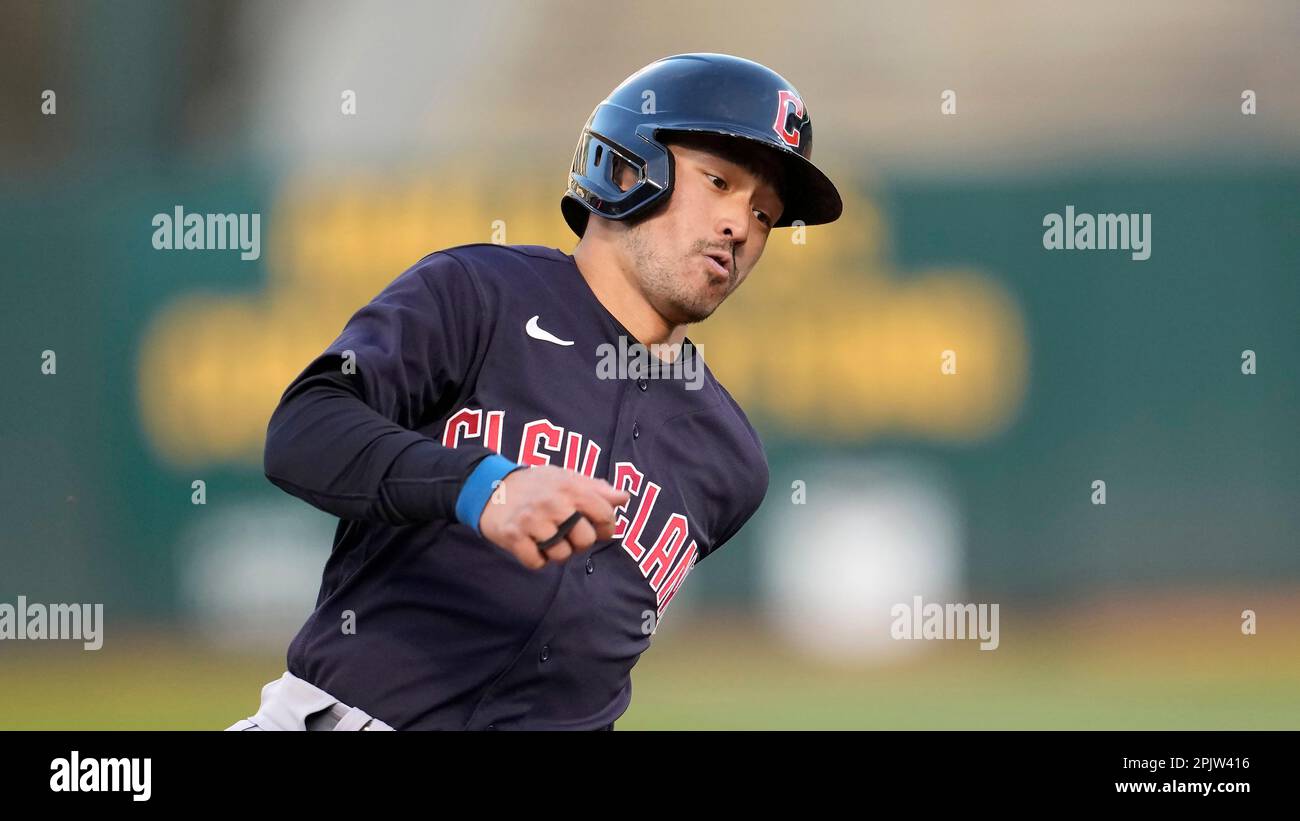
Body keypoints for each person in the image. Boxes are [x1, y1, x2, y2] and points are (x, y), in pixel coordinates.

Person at [226, 52, 842, 731]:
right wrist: (484, 486)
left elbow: (587, 663)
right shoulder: (479, 293)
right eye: (718, 181)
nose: (740, 227)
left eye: (764, 213)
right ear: (627, 165)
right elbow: (303, 429)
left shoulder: (730, 460)